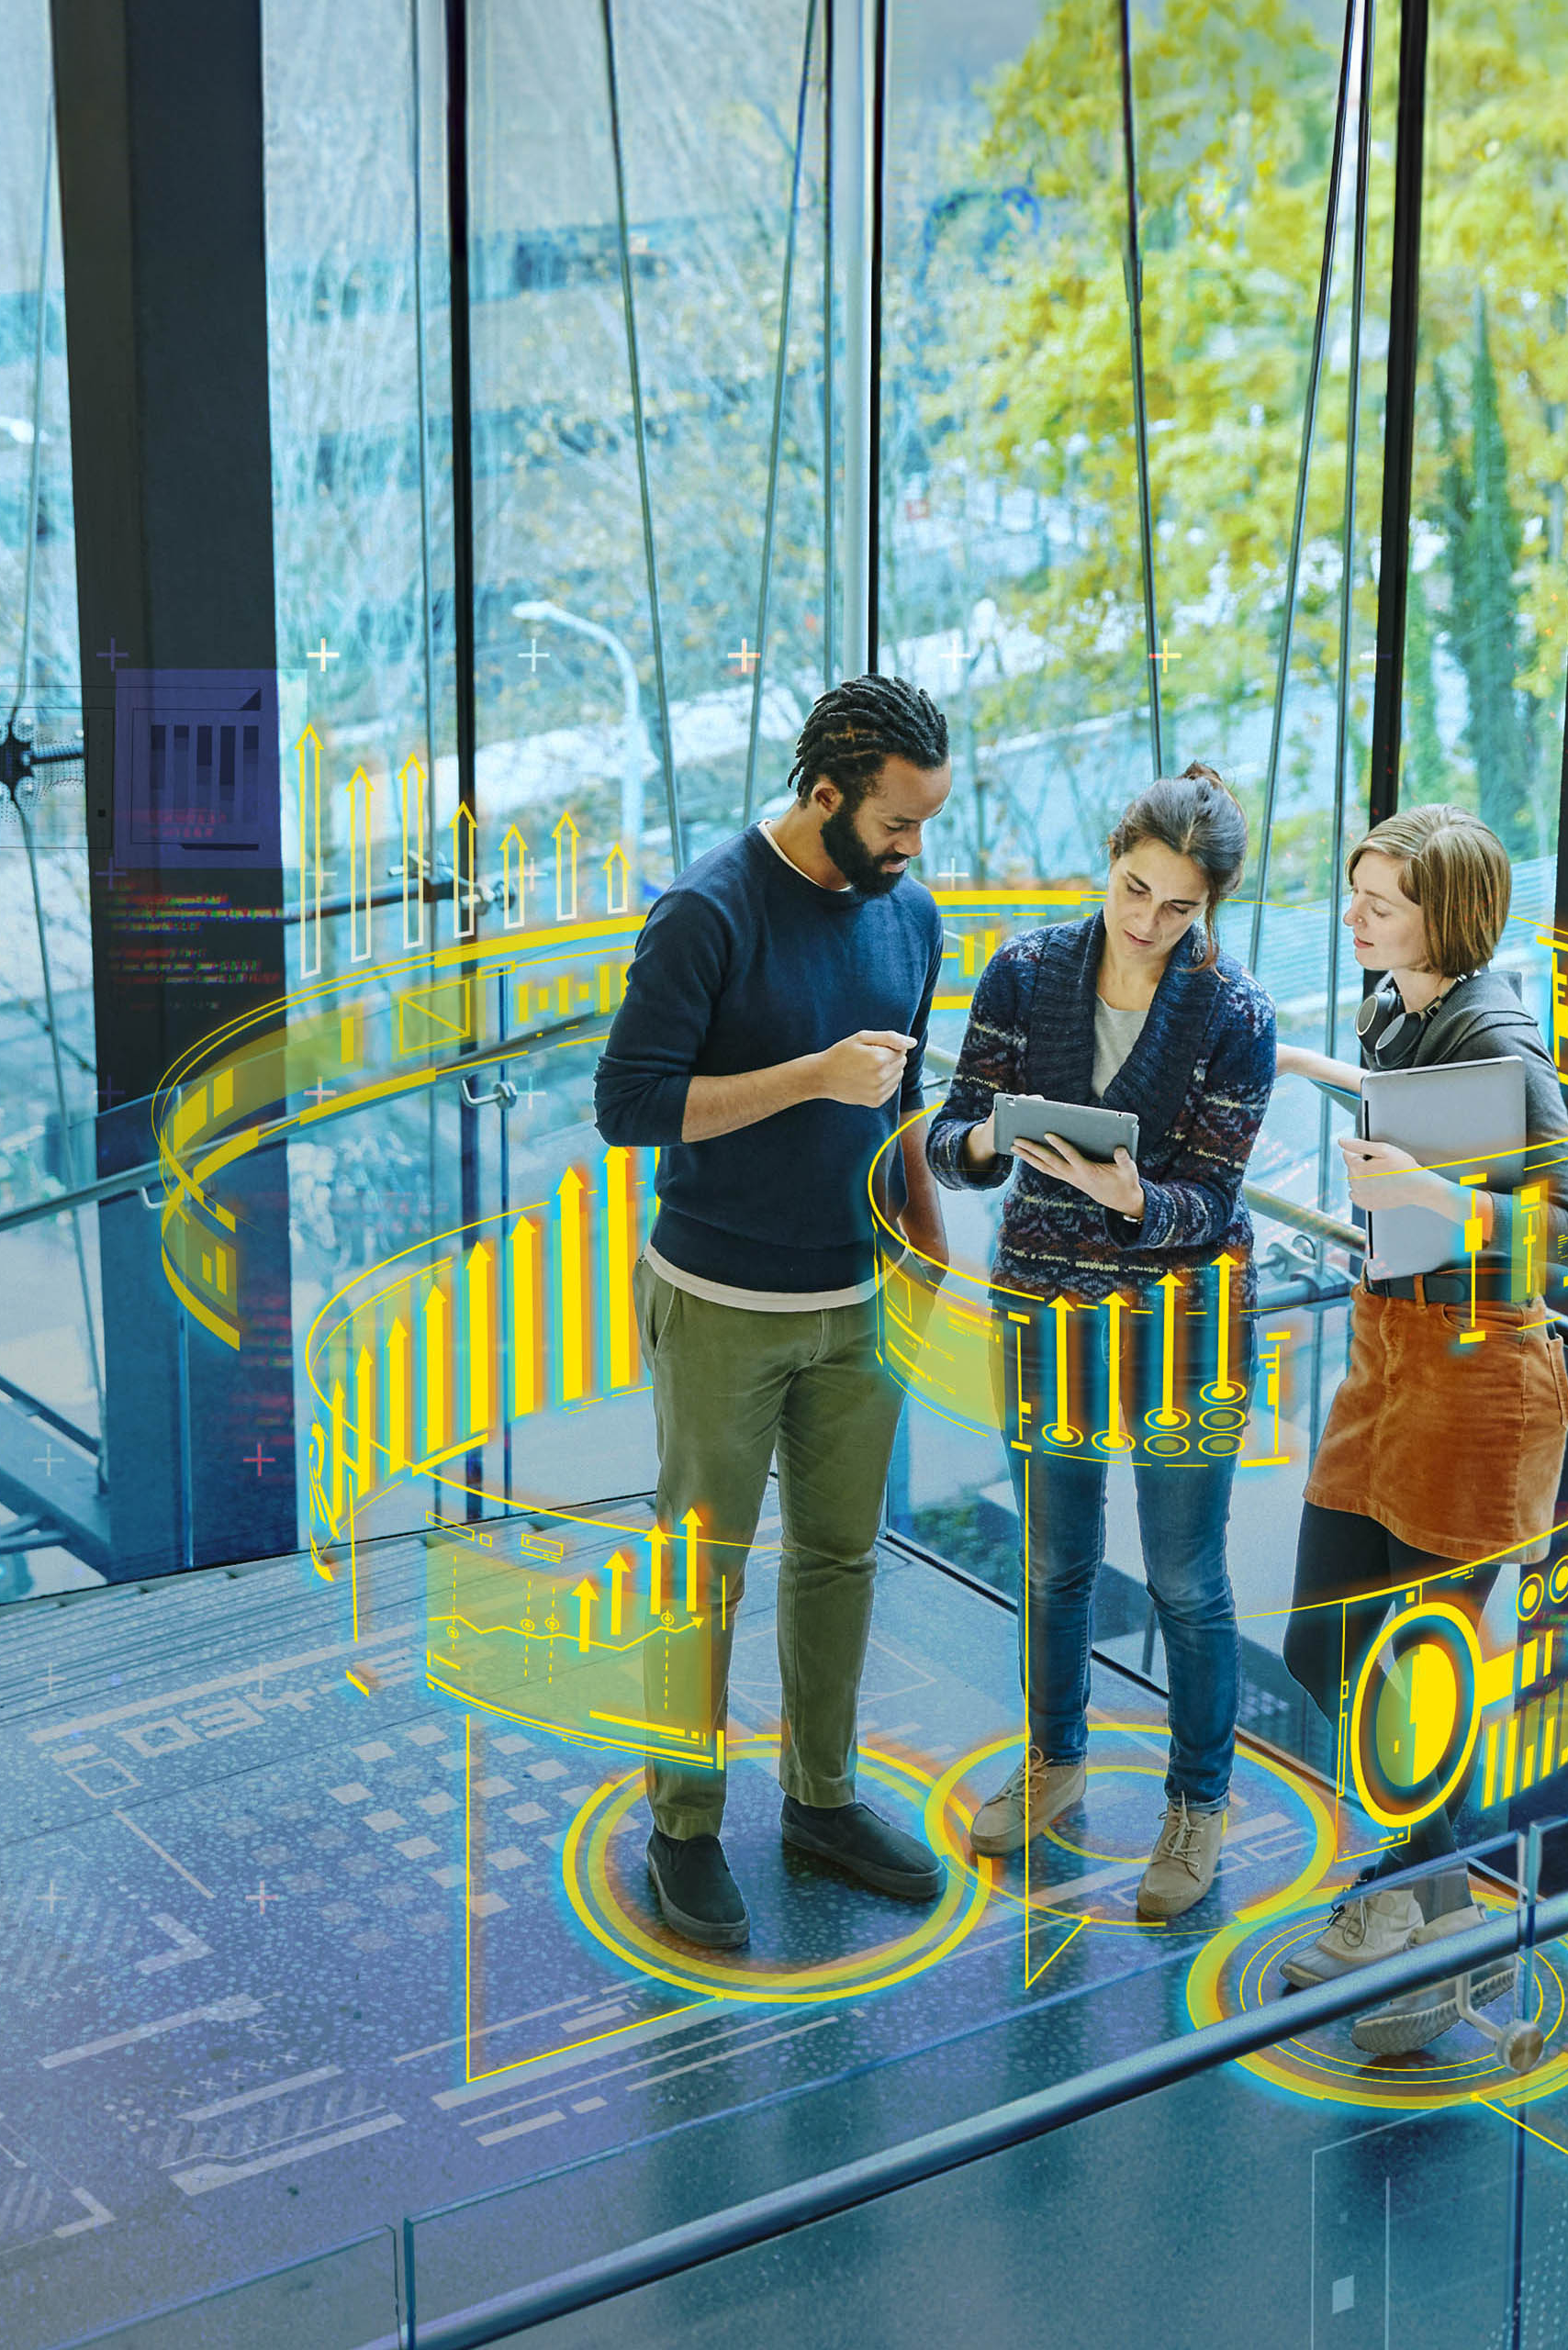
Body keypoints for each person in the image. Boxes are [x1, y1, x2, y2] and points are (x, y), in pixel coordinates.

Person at [591, 675, 956, 1951]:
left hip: (861, 1299)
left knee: (843, 1560)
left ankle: (822, 1799)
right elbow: (629, 1107)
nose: (914, 851)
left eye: (924, 826)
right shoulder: (707, 911)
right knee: (702, 1578)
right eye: (897, 825)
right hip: (721, 1303)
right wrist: (811, 1077)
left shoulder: (909, 918)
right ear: (824, 795)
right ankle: (682, 1826)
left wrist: (929, 1231)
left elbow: (902, 1101)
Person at [1268, 805, 1568, 2054]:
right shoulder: (1397, 1004)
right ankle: (1441, 1896)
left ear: (1445, 918)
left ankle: (1415, 1914)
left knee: (1423, 1676)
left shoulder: (1502, 1037)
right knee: (1326, 1644)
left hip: (1472, 1379)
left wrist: (1426, 1195)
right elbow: (1426, 1110)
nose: (1353, 918)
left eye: (1380, 904)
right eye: (1356, 895)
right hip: (1390, 1358)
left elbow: (1564, 1225)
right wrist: (1329, 1077)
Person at [927, 767, 1277, 1919]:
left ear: (1209, 907)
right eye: (1136, 889)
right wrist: (985, 1140)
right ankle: (1055, 1760)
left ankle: (1197, 1802)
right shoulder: (1026, 974)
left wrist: (1136, 1202)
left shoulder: (1239, 1017)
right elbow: (947, 1139)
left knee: (1186, 1578)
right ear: (1112, 856)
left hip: (1184, 1322)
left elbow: (1217, 1201)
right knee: (1051, 1560)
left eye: (1180, 907)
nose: (1148, 921)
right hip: (1046, 1311)